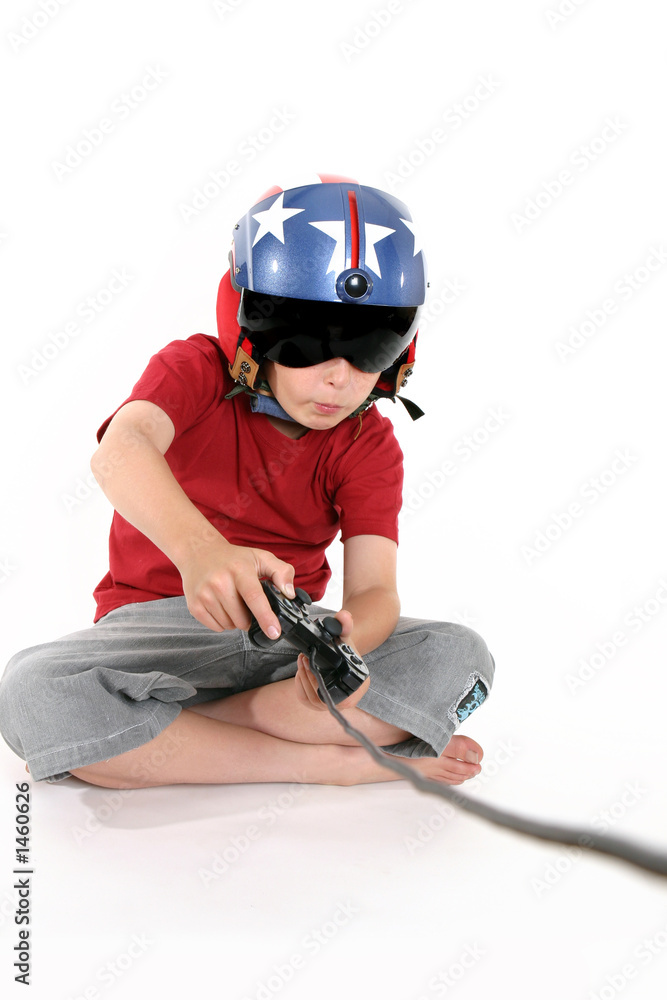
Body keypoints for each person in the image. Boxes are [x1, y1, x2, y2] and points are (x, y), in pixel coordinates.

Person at [0, 175, 495, 791]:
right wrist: (202, 553)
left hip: (288, 639)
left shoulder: (369, 444)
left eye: (370, 345)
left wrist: (343, 639)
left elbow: (375, 593)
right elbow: (120, 452)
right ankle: (321, 762)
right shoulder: (195, 370)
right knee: (30, 692)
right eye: (306, 340)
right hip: (161, 631)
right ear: (251, 326)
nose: (338, 378)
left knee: (460, 659)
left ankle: (160, 735)